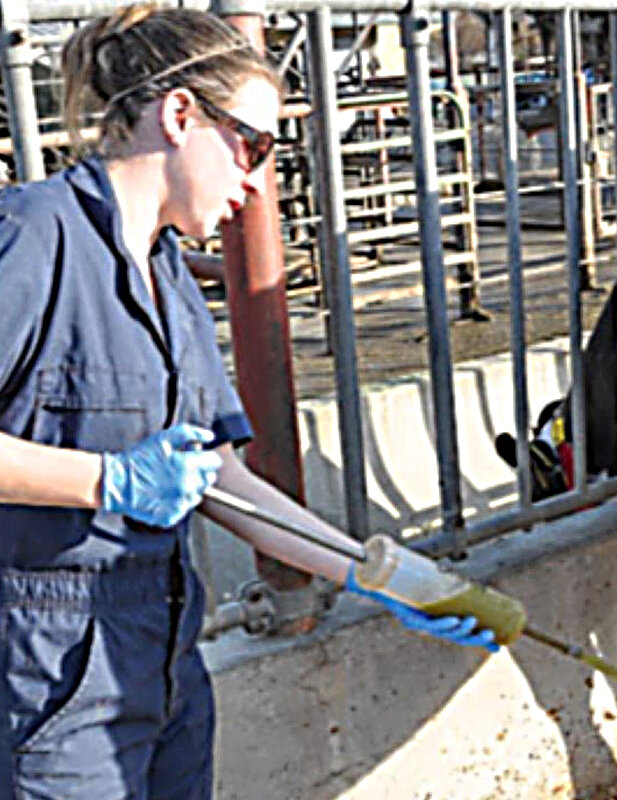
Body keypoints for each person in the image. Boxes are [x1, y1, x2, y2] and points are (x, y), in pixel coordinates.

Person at [0, 6, 495, 799]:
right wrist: (107, 481)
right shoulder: (33, 237)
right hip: (44, 670)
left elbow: (220, 480)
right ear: (179, 113)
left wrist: (380, 575)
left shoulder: (170, 278)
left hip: (162, 664)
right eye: (253, 145)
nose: (257, 178)